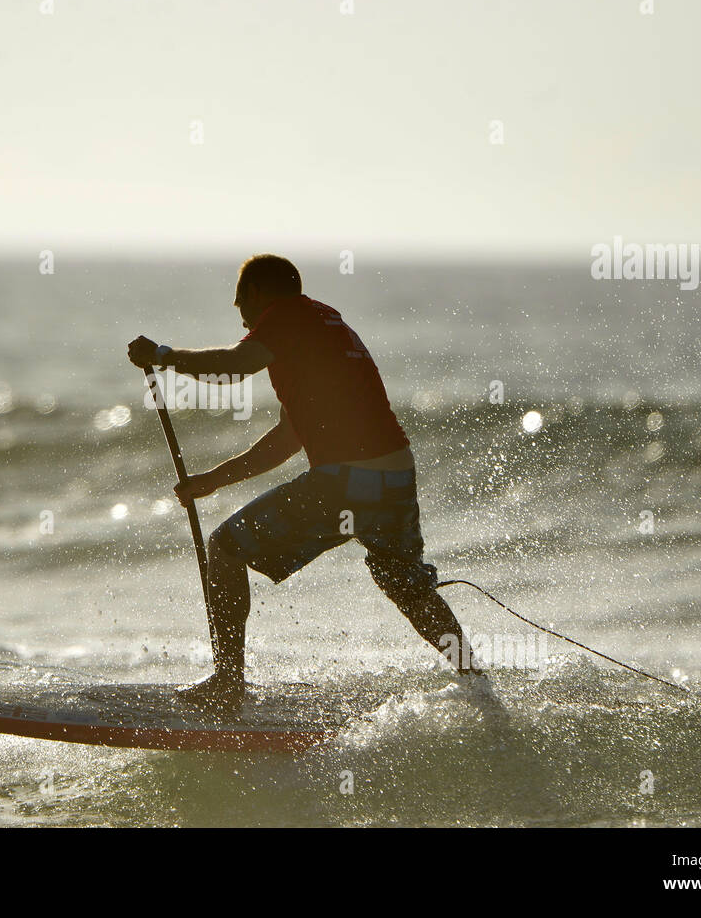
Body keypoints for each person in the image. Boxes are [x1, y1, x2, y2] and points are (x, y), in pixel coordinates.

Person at [128, 254, 485, 714]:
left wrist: (164, 357)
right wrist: (212, 481)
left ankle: (227, 684)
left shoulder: (286, 318)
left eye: (240, 300)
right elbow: (288, 437)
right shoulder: (327, 324)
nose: (240, 313)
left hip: (348, 480)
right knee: (408, 586)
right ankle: (475, 681)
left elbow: (235, 366)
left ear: (256, 294)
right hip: (396, 473)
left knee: (226, 548)